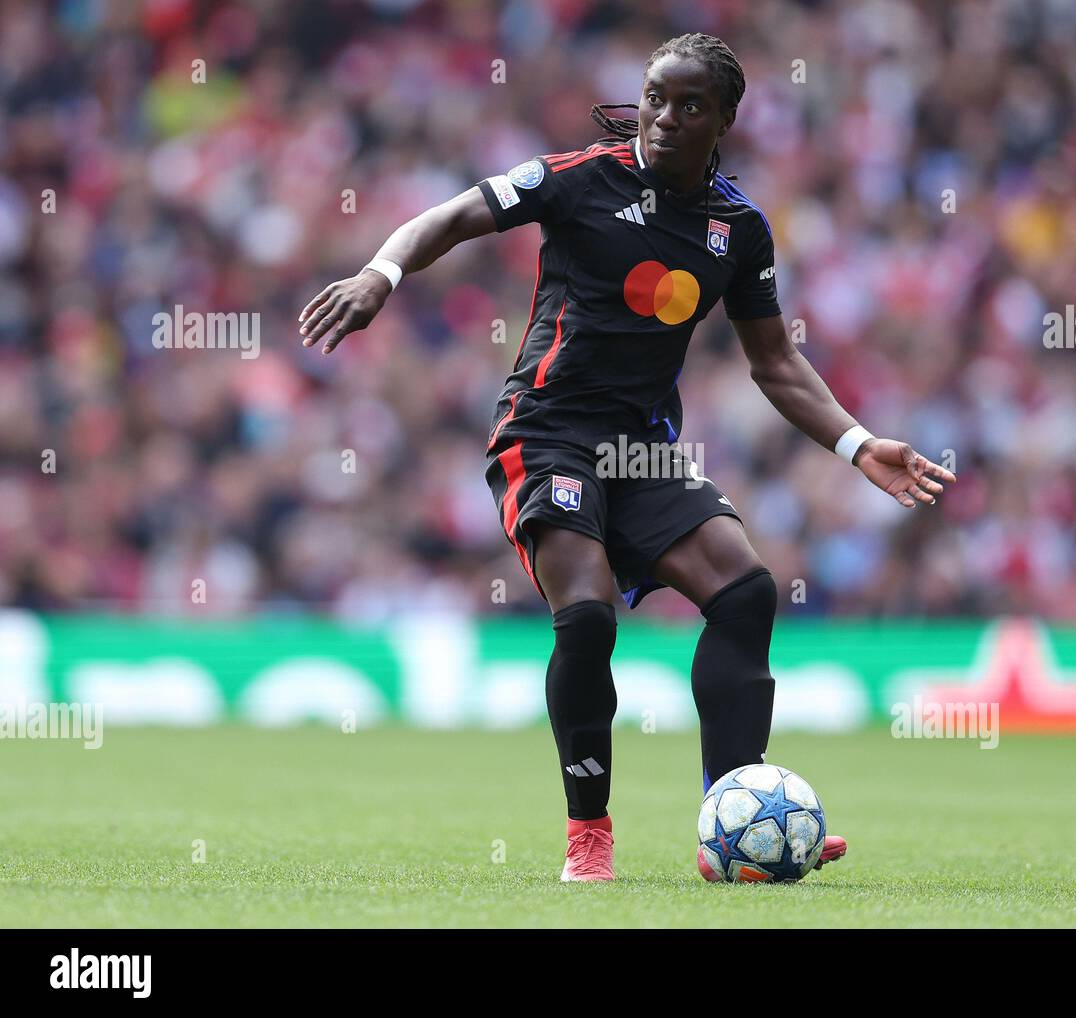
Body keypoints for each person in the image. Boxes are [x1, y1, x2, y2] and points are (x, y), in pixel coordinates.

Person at [298, 33, 955, 883]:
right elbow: (454, 214)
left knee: (747, 591)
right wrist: (380, 273)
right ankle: (589, 835)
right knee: (589, 613)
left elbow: (775, 361)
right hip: (547, 429)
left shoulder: (737, 228)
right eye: (654, 97)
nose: (664, 118)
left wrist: (859, 444)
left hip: (640, 449)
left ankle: (732, 817)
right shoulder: (579, 178)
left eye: (689, 106)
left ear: (723, 121)